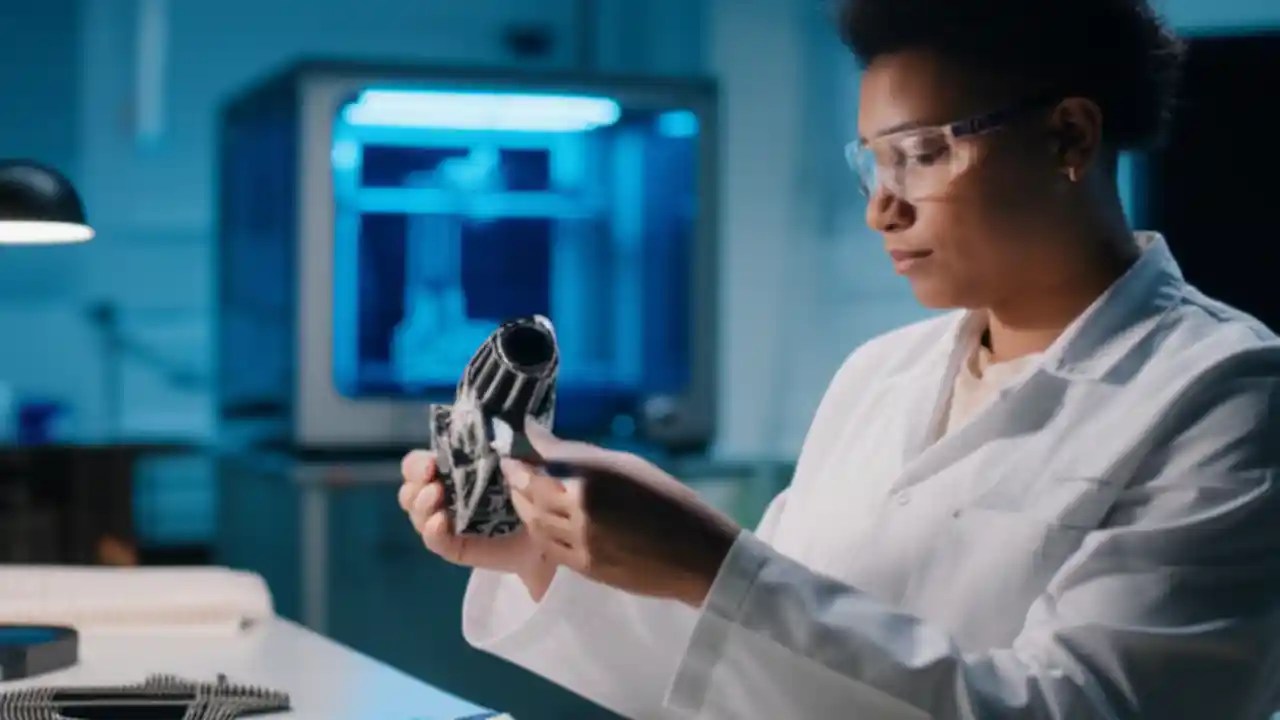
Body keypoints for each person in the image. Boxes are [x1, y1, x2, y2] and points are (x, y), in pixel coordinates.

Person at [399, 0, 1280, 717]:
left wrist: (712, 563)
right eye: (874, 163)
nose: (881, 211)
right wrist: (544, 550)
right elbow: (743, 671)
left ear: (1069, 139)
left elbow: (1085, 709)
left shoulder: (1223, 392)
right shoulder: (880, 374)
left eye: (924, 154)